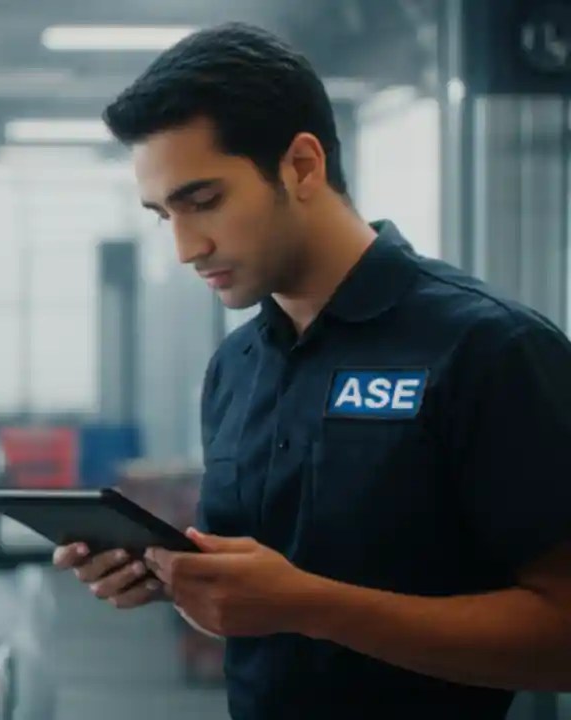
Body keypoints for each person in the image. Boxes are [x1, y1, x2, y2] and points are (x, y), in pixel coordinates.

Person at [50, 22, 571, 720]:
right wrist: (178, 582)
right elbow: (250, 606)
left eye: (203, 202)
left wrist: (312, 605)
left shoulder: (488, 349)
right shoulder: (233, 369)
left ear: (301, 166)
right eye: (162, 214)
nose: (185, 246)